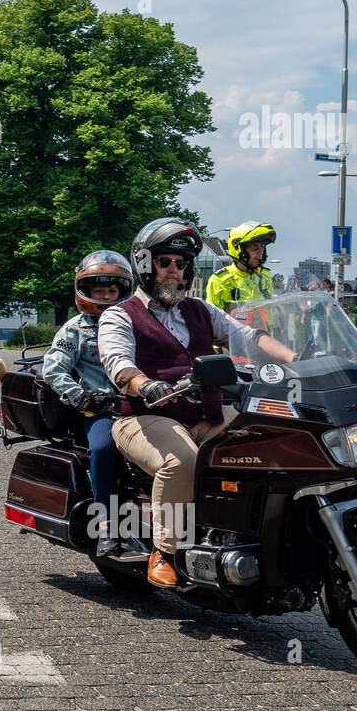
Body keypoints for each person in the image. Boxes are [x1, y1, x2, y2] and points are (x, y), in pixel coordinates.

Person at [98, 218, 296, 587]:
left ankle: (256, 539)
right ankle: (165, 551)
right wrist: (144, 384)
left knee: (268, 442)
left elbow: (249, 337)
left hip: (207, 416)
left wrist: (296, 359)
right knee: (182, 461)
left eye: (182, 263)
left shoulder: (201, 310)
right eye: (165, 262)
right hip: (144, 417)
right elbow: (117, 362)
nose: (175, 271)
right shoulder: (120, 315)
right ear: (145, 264)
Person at [41, 250, 134, 558]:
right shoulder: (75, 329)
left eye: (112, 290)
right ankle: (107, 524)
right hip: (101, 409)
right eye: (99, 290)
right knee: (104, 448)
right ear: (85, 291)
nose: (106, 296)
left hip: (141, 404)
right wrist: (82, 397)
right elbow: (53, 368)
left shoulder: (136, 323)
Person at [205, 221, 276, 316]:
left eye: (262, 248)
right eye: (255, 248)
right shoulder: (219, 280)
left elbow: (270, 316)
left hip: (262, 330)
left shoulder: (265, 276)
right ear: (238, 249)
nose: (260, 254)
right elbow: (211, 318)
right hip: (232, 330)